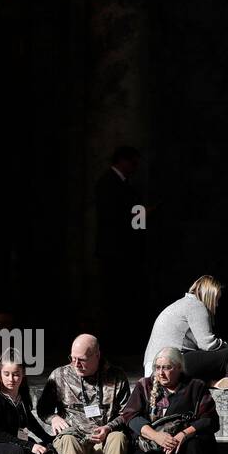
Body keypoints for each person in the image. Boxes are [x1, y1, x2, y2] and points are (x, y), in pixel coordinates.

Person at [36, 334, 132, 454]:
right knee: (66, 439)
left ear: (97, 355)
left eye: (82, 359)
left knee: (119, 438)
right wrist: (53, 417)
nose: (76, 363)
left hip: (102, 444)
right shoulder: (59, 375)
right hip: (75, 442)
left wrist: (109, 427)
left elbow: (127, 413)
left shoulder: (116, 376)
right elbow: (43, 409)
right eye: (72, 358)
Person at [142, 275, 228, 400]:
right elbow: (208, 344)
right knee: (227, 356)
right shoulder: (196, 306)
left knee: (208, 358)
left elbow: (202, 352)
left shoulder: (182, 304)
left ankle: (214, 381)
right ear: (209, 295)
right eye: (216, 299)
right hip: (169, 365)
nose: (216, 304)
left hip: (154, 368)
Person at [96, 145, 148, 354]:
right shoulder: (109, 184)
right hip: (116, 252)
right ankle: (113, 347)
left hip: (122, 252)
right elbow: (120, 218)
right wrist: (142, 215)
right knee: (114, 300)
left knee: (122, 299)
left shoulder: (121, 185)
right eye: (133, 163)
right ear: (123, 161)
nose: (135, 168)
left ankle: (120, 345)